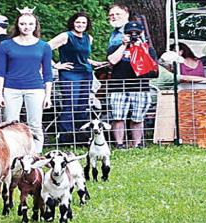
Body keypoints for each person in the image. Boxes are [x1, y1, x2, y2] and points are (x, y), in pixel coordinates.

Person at [0, 9, 53, 148]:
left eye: (30, 24)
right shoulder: (5, 45)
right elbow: (0, 71)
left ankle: (36, 153)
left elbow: (47, 73)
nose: (26, 27)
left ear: (35, 25)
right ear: (17, 25)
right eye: (23, 24)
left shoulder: (44, 46)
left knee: (35, 124)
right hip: (11, 88)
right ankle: (12, 153)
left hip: (35, 89)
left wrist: (48, 95)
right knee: (10, 124)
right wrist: (0, 94)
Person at [48, 12, 102, 146]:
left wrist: (93, 62)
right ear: (72, 23)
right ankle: (66, 138)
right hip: (69, 74)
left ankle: (81, 137)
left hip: (86, 74)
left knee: (82, 106)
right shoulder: (65, 36)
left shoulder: (88, 38)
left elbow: (82, 57)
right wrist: (55, 65)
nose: (80, 25)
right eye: (78, 22)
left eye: (84, 23)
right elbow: (44, 48)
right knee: (70, 105)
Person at [103, 15, 153, 148]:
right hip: (119, 87)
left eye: (136, 33)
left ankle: (136, 144)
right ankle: (119, 143)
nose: (133, 35)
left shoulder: (147, 48)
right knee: (118, 117)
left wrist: (140, 46)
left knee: (138, 118)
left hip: (140, 87)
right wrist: (124, 45)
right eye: (130, 33)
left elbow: (150, 65)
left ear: (141, 34)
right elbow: (112, 60)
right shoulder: (116, 46)